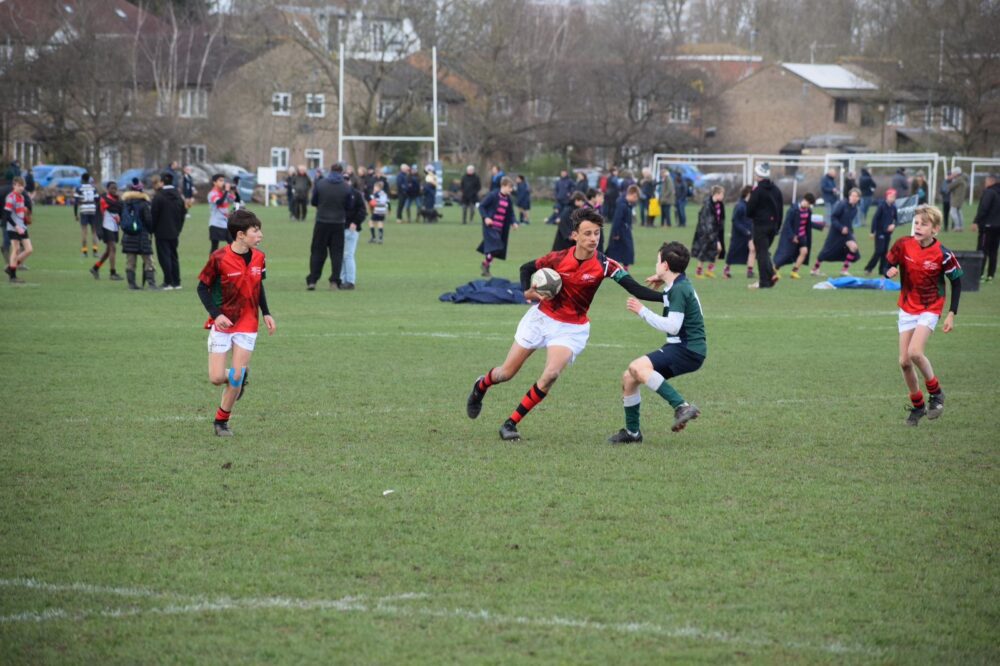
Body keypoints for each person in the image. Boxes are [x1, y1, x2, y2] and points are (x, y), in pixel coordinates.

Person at [465, 207, 664, 441]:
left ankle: (510, 423)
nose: (593, 239)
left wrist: (669, 294)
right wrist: (528, 291)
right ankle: (481, 385)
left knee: (551, 374)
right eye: (587, 233)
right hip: (541, 319)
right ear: (575, 236)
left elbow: (635, 288)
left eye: (597, 234)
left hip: (570, 328)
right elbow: (526, 268)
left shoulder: (606, 265)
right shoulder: (557, 258)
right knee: (505, 373)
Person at [608, 241, 705, 443]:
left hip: (687, 349)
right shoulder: (678, 284)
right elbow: (672, 299)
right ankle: (633, 433)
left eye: (657, 260)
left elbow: (672, 326)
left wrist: (641, 311)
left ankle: (681, 406)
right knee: (629, 377)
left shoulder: (678, 289)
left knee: (637, 367)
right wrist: (663, 280)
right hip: (684, 348)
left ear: (665, 265)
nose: (656, 264)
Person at [197, 209, 276, 437]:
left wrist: (267, 313)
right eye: (256, 230)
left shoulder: (260, 257)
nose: (260, 234)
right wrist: (216, 314)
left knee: (236, 378)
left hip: (248, 323)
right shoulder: (219, 258)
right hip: (223, 324)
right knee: (216, 378)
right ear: (240, 234)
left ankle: (221, 422)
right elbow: (202, 287)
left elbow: (258, 286)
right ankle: (239, 374)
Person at [885, 205, 961, 426]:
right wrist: (889, 271)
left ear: (935, 229)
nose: (918, 227)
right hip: (908, 306)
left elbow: (956, 282)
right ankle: (918, 406)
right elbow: (889, 263)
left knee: (916, 352)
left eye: (924, 224)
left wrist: (951, 314)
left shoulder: (943, 254)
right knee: (904, 362)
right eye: (916, 223)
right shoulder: (903, 244)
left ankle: (936, 393)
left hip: (931, 306)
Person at [307, 162, 351, 290]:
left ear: (330, 170)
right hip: (338, 223)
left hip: (322, 221)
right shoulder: (345, 187)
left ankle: (313, 280)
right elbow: (348, 206)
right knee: (337, 253)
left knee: (317, 252)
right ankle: (334, 281)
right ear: (341, 172)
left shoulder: (321, 184)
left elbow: (314, 201)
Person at [746, 162, 783, 289]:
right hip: (773, 227)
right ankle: (771, 276)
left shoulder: (757, 191)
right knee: (764, 252)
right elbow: (780, 210)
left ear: (759, 176)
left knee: (761, 254)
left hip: (760, 226)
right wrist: (777, 226)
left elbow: (749, 210)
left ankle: (764, 282)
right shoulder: (776, 190)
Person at [812, 188, 861, 277]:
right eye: (852, 195)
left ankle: (844, 270)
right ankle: (815, 269)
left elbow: (849, 222)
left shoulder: (855, 209)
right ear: (849, 196)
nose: (853, 197)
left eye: (856, 196)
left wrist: (851, 233)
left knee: (853, 247)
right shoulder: (842, 204)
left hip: (847, 233)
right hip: (835, 231)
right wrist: (841, 227)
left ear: (858, 198)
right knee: (826, 251)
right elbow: (833, 217)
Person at [151, 172, 186, 290]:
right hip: (174, 231)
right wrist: (178, 229)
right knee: (173, 256)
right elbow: (183, 213)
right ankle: (177, 282)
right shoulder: (178, 196)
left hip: (161, 231)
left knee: (164, 257)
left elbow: (153, 215)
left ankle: (168, 282)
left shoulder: (159, 196)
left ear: (161, 182)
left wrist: (152, 229)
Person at [120, 183, 159, 290]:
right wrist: (151, 230)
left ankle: (131, 284)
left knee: (130, 262)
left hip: (128, 237)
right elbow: (149, 220)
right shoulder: (144, 204)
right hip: (142, 237)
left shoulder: (125, 204)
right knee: (148, 261)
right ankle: (151, 283)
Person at [477, 176, 517, 277]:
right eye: (509, 187)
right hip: (490, 227)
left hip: (501, 228)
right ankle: (486, 265)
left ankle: (486, 265)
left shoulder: (508, 199)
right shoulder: (493, 195)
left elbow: (511, 213)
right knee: (496, 246)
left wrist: (514, 222)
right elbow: (482, 206)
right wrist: (486, 217)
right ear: (503, 186)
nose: (511, 190)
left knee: (496, 248)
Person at [773, 193, 817, 279]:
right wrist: (792, 236)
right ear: (804, 200)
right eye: (808, 204)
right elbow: (787, 224)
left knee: (804, 252)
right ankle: (775, 269)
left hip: (802, 236)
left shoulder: (808, 211)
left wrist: (819, 226)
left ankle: (794, 272)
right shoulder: (793, 210)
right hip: (791, 236)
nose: (808, 206)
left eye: (810, 205)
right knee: (786, 254)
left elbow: (808, 224)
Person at [89, 181, 123, 281]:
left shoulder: (117, 200)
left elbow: (119, 208)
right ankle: (113, 273)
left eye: (115, 188)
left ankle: (95, 268)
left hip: (114, 227)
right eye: (112, 188)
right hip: (106, 227)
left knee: (109, 251)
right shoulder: (104, 200)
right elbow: (110, 207)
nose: (114, 190)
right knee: (113, 248)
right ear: (108, 189)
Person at [691, 185, 725, 278]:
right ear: (717, 194)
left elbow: (720, 219)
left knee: (717, 249)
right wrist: (709, 234)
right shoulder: (707, 205)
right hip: (706, 233)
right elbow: (705, 221)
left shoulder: (719, 204)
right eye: (722, 194)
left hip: (715, 232)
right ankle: (699, 272)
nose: (723, 196)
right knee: (704, 251)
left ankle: (709, 270)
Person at [972, 173, 1000, 282]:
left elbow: (983, 208)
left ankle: (979, 274)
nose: (985, 183)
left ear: (991, 181)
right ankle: (991, 275)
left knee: (982, 249)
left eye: (986, 181)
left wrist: (976, 221)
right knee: (993, 251)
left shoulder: (989, 192)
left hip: (987, 227)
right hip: (998, 227)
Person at [863, 188, 898, 277]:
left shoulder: (894, 208)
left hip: (888, 234)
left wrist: (893, 225)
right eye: (891, 196)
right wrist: (872, 231)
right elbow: (875, 219)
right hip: (880, 232)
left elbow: (897, 220)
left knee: (885, 252)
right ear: (887, 197)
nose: (892, 198)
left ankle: (882, 270)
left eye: (894, 196)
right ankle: (868, 268)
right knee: (879, 251)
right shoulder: (881, 206)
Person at [4, 177, 31, 284]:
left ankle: (11, 267)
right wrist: (16, 226)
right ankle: (13, 277)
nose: (21, 188)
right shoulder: (11, 197)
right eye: (19, 185)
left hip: (22, 227)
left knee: (29, 250)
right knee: (16, 249)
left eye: (22, 186)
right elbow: (6, 215)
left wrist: (25, 218)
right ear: (14, 185)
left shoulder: (22, 197)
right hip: (13, 227)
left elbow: (20, 213)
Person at [724, 185, 755, 279]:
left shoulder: (751, 205)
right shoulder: (739, 206)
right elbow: (735, 220)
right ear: (748, 194)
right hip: (739, 234)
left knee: (752, 249)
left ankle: (750, 271)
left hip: (749, 234)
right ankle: (726, 269)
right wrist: (744, 230)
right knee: (733, 252)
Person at [606, 184, 639, 270]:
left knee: (627, 250)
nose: (636, 200)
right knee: (616, 251)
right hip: (620, 232)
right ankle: (610, 268)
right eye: (635, 197)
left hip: (625, 230)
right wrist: (616, 233)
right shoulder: (622, 205)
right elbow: (617, 220)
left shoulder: (627, 204)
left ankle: (624, 267)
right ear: (632, 194)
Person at [340, 181, 366, 290]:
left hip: (351, 228)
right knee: (341, 255)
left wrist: (355, 222)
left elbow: (362, 211)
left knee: (348, 255)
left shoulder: (356, 194)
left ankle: (350, 281)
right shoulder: (339, 193)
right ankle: (342, 279)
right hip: (340, 227)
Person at [74, 172, 101, 257]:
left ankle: (85, 252)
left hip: (84, 211)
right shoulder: (93, 188)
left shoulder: (79, 188)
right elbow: (98, 200)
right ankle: (95, 251)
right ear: (89, 179)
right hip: (93, 210)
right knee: (94, 232)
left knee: (84, 232)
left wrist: (75, 214)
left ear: (82, 179)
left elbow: (75, 202)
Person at [207, 174, 236, 253]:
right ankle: (211, 264)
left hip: (225, 223)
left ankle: (234, 263)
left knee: (234, 244)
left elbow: (233, 200)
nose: (223, 182)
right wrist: (226, 191)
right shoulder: (212, 193)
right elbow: (219, 202)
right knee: (215, 247)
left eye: (223, 180)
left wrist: (233, 191)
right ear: (214, 182)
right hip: (215, 224)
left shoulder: (224, 193)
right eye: (220, 180)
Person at [946, 167, 967, 232]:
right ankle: (960, 227)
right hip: (959, 199)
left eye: (953, 173)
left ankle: (957, 226)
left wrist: (950, 179)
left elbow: (949, 186)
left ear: (957, 173)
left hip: (957, 199)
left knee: (952, 212)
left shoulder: (959, 179)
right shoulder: (961, 179)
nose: (952, 174)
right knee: (958, 213)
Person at [368, 180, 389, 244]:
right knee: (380, 223)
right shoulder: (384, 193)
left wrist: (373, 194)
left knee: (371, 222)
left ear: (378, 187)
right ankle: (380, 238)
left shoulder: (376, 194)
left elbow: (371, 199)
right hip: (382, 211)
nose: (374, 188)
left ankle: (373, 237)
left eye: (375, 187)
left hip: (377, 210)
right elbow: (387, 201)